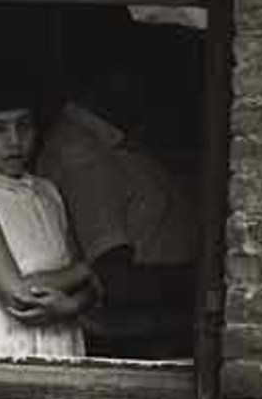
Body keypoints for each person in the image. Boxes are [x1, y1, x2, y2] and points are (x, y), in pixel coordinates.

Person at [37, 62, 199, 359]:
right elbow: (114, 278)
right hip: (132, 343)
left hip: (156, 332)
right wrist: (209, 281)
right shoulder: (84, 156)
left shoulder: (114, 142)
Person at [0, 90, 99, 361]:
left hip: (59, 333)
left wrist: (71, 304)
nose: (14, 141)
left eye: (24, 126)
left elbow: (92, 286)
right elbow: (19, 297)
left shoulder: (48, 192)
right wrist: (84, 270)